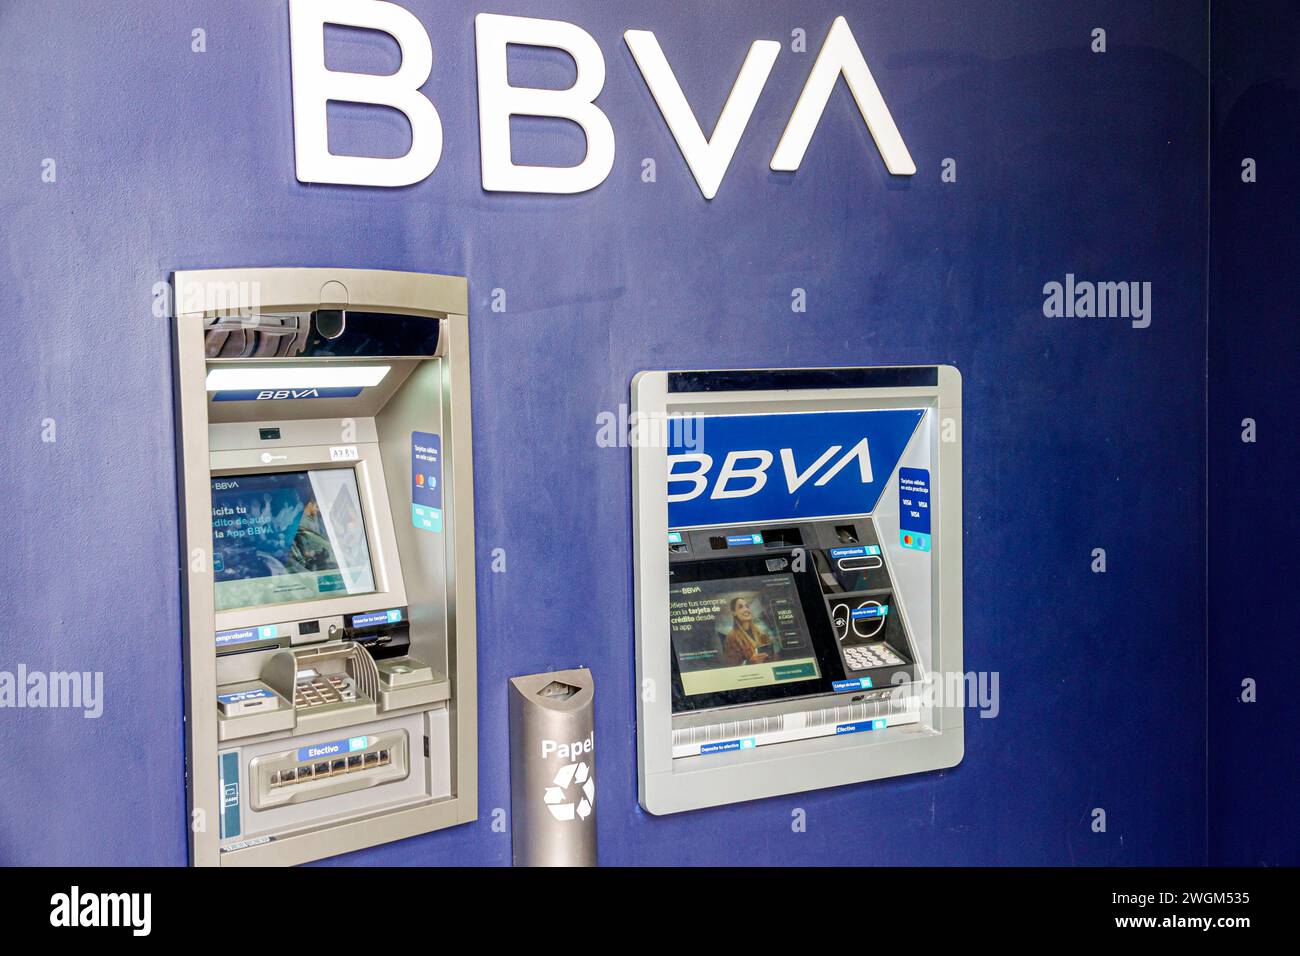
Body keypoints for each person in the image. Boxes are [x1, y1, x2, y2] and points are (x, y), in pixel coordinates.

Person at [721, 596, 772, 666]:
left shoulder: (760, 632)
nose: (746, 609)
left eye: (747, 606)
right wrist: (749, 662)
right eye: (740, 607)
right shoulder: (731, 637)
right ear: (734, 613)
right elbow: (731, 665)